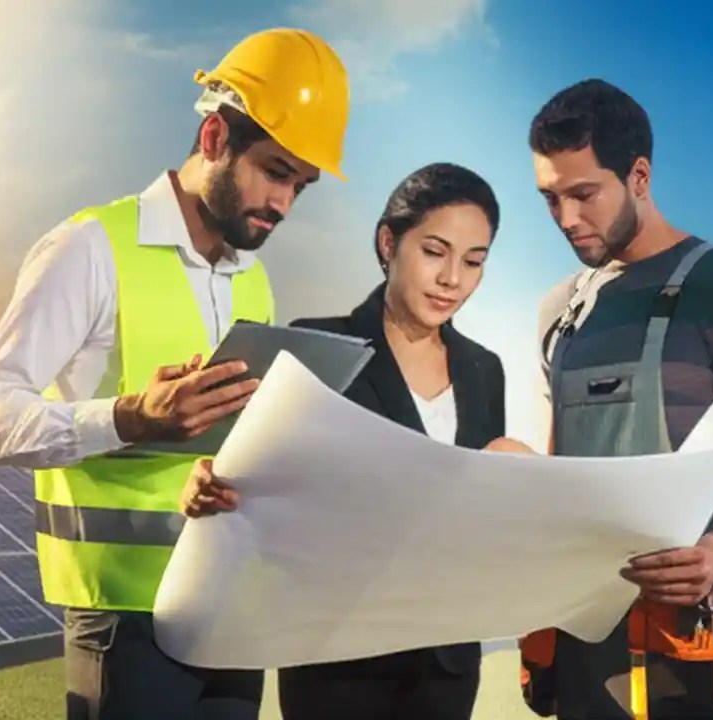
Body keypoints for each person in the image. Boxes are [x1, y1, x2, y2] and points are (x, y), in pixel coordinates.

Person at [0, 27, 351, 720]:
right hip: (124, 619)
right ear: (213, 140)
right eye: (276, 172)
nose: (284, 204)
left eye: (302, 186)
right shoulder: (88, 248)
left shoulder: (252, 278)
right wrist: (127, 416)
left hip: (231, 603)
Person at [512, 79, 713, 719]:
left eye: (583, 194)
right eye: (549, 199)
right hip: (581, 636)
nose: (566, 218)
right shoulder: (560, 312)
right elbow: (558, 467)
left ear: (638, 175)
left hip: (685, 641)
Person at [179, 161, 507, 720]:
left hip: (445, 663)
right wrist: (208, 485)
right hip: (337, 658)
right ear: (389, 242)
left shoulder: (484, 369)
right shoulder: (319, 346)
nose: (453, 278)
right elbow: (250, 474)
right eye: (434, 251)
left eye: (473, 261)